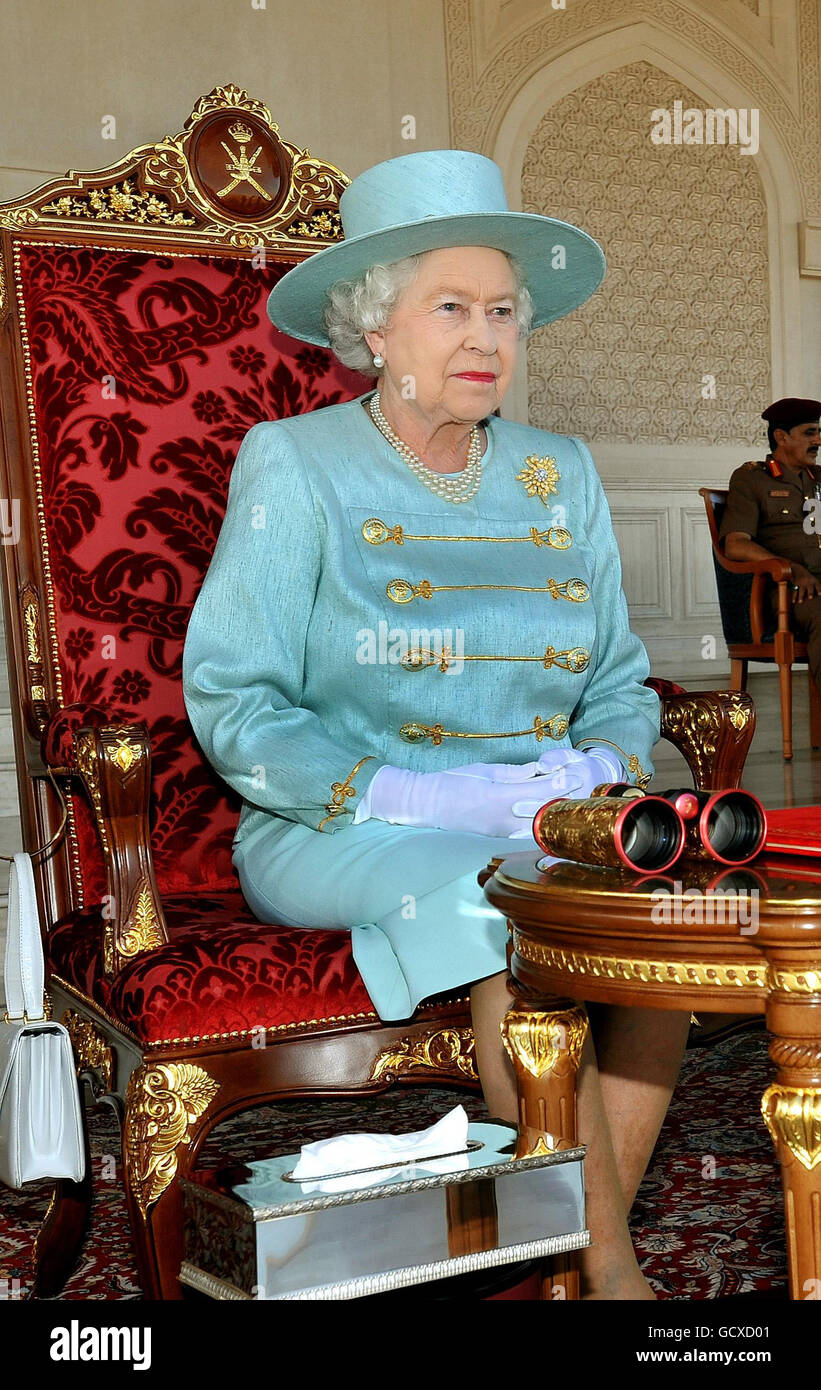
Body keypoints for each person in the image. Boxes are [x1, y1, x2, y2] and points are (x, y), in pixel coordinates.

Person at [182, 148, 690, 1299]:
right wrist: (411, 793)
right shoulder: (297, 463)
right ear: (374, 330)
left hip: (540, 814)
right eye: (449, 308)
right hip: (329, 822)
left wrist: (597, 759)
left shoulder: (560, 471)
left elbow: (618, 675)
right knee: (503, 899)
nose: (484, 337)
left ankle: (546, 1244)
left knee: (659, 909)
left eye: (502, 311)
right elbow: (232, 698)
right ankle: (608, 1276)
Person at [721, 397, 821, 683]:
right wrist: (795, 570)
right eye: (809, 433)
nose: (818, 441)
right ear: (781, 436)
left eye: (819, 432)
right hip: (785, 587)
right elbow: (736, 544)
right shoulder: (752, 479)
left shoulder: (819, 479)